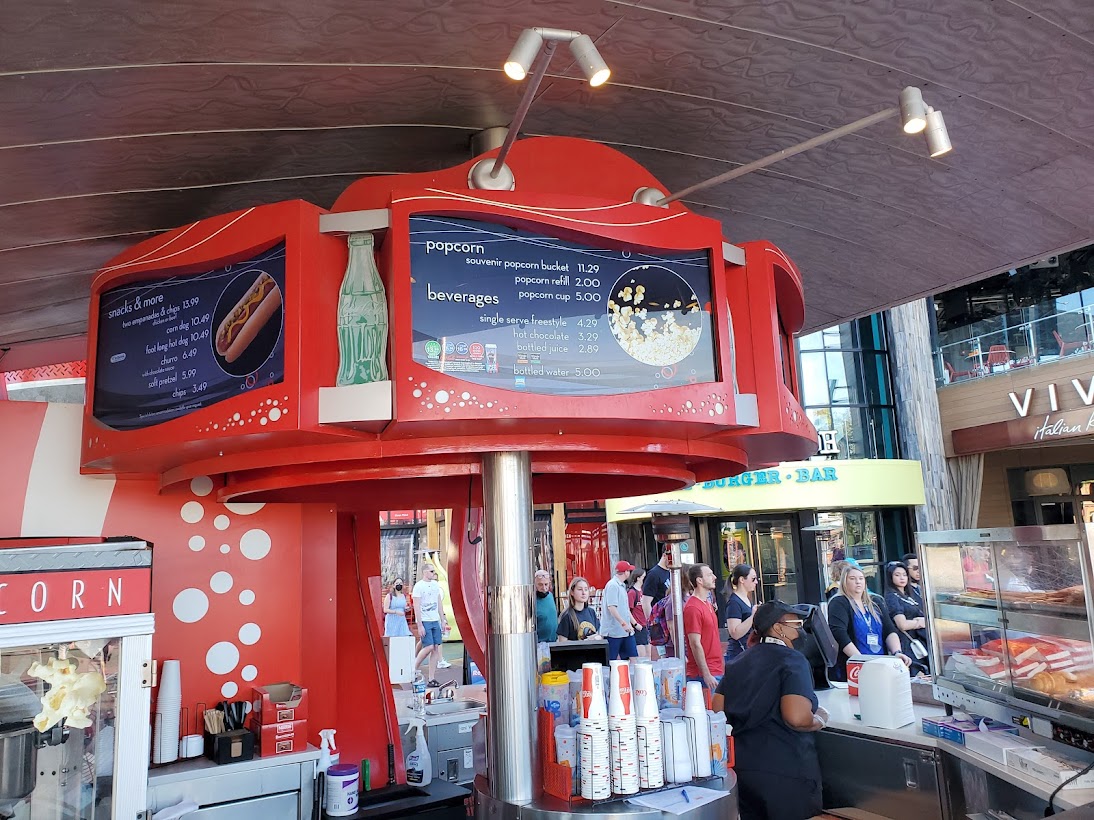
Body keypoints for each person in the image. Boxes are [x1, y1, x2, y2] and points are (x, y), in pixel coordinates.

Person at [713, 601, 827, 820]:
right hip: (785, 772)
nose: (800, 631)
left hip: (744, 772)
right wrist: (819, 719)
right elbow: (796, 717)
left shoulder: (738, 661)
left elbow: (718, 710)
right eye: (796, 624)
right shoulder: (793, 660)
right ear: (778, 628)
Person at [828, 566, 910, 678]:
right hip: (855, 667)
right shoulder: (839, 602)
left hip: (881, 664)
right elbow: (839, 634)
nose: (858, 582)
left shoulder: (876, 601)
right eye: (852, 578)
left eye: (861, 578)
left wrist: (897, 652)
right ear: (844, 582)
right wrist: (860, 660)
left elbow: (889, 629)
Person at [684, 563, 724, 693]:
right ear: (699, 580)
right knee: (711, 712)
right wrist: (706, 674)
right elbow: (695, 643)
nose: (714, 577)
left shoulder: (707, 604)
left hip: (715, 669)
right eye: (709, 575)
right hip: (704, 674)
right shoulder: (693, 608)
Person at [884, 561, 929, 674]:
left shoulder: (909, 595)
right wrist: (919, 622)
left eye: (904, 575)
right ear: (890, 577)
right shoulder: (891, 597)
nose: (902, 578)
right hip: (906, 643)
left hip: (919, 641)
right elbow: (902, 624)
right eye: (897, 575)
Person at [412, 564, 449, 686]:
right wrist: (420, 624)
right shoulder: (419, 586)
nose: (434, 573)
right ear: (425, 572)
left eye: (434, 571)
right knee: (428, 646)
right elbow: (416, 606)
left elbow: (439, 602)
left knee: (436, 648)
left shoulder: (435, 585)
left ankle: (431, 678)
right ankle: (414, 668)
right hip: (425, 620)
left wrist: (443, 619)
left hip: (435, 619)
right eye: (432, 571)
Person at [601, 560, 643, 660]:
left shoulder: (622, 586)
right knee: (612, 660)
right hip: (614, 632)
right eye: (629, 571)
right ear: (626, 572)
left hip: (626, 631)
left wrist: (634, 623)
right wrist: (623, 623)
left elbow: (625, 608)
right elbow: (611, 607)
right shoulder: (613, 585)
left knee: (633, 657)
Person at [724, 564, 758, 662]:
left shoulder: (746, 598)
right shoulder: (734, 602)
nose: (756, 582)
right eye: (753, 579)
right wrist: (753, 616)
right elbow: (735, 633)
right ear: (742, 580)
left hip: (747, 651)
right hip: (738, 654)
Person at [556, 577, 601, 641]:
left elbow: (599, 634)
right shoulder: (567, 615)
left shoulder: (591, 612)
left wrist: (596, 638)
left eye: (586, 589)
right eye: (580, 589)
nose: (583, 593)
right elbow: (562, 642)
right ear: (572, 592)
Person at [641, 547, 671, 621]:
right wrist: (651, 622)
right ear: (664, 556)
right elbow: (646, 602)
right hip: (659, 618)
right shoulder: (653, 574)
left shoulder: (671, 572)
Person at [627, 567, 651, 659]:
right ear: (638, 578)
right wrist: (635, 624)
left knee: (648, 653)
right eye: (643, 577)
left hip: (645, 625)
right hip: (638, 625)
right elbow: (627, 610)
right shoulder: (632, 592)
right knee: (642, 654)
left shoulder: (642, 591)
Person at [534, 569, 558, 643]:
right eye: (540, 584)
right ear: (535, 584)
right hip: (540, 644)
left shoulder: (550, 596)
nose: (544, 588)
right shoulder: (532, 601)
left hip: (554, 642)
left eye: (546, 584)